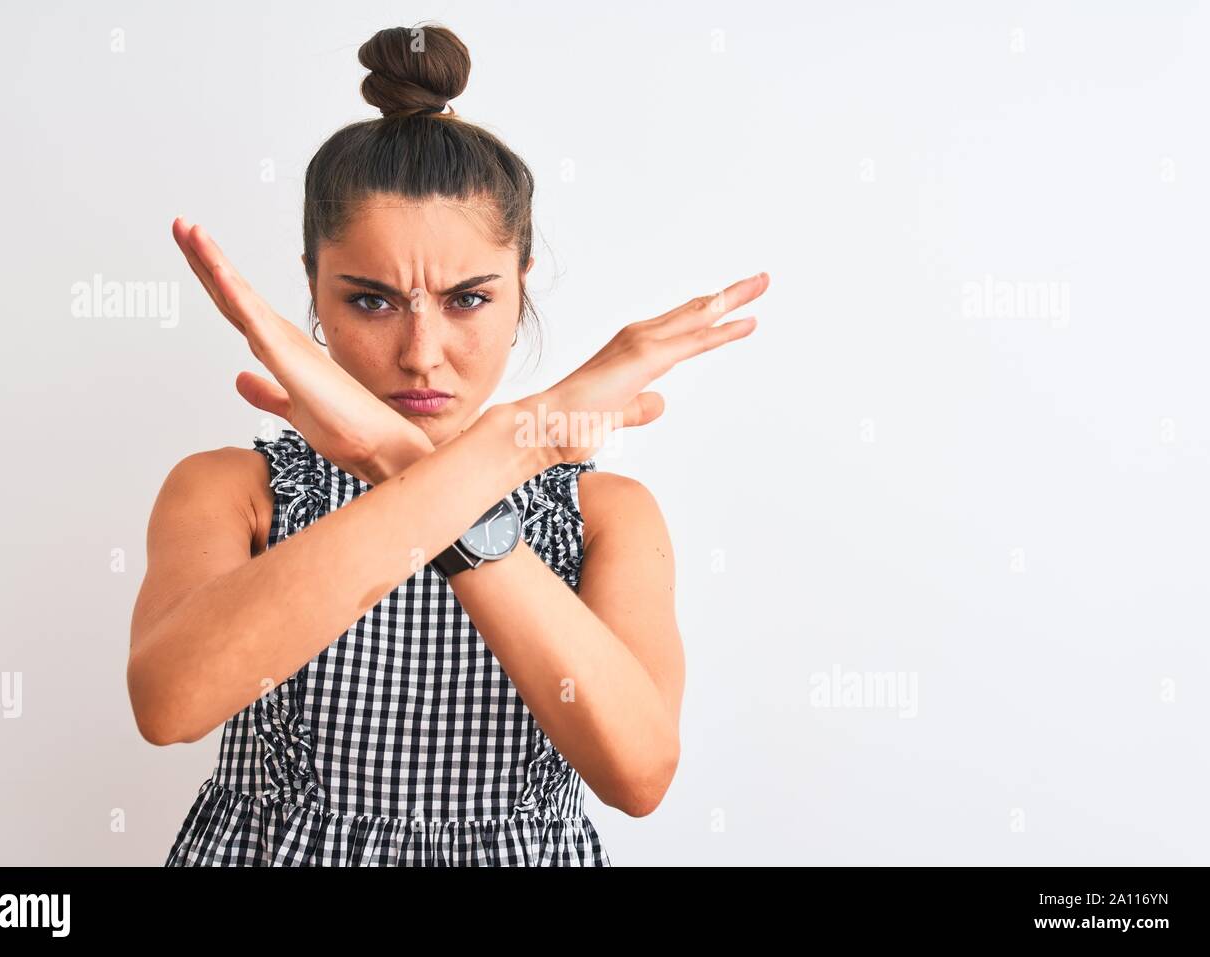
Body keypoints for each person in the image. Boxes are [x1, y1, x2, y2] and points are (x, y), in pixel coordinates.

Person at [127, 22, 768, 866]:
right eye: (370, 301)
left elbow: (639, 773)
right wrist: (511, 444)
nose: (422, 353)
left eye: (467, 300)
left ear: (519, 289)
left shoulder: (606, 513)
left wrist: (406, 462)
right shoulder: (233, 489)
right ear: (313, 285)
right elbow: (170, 703)